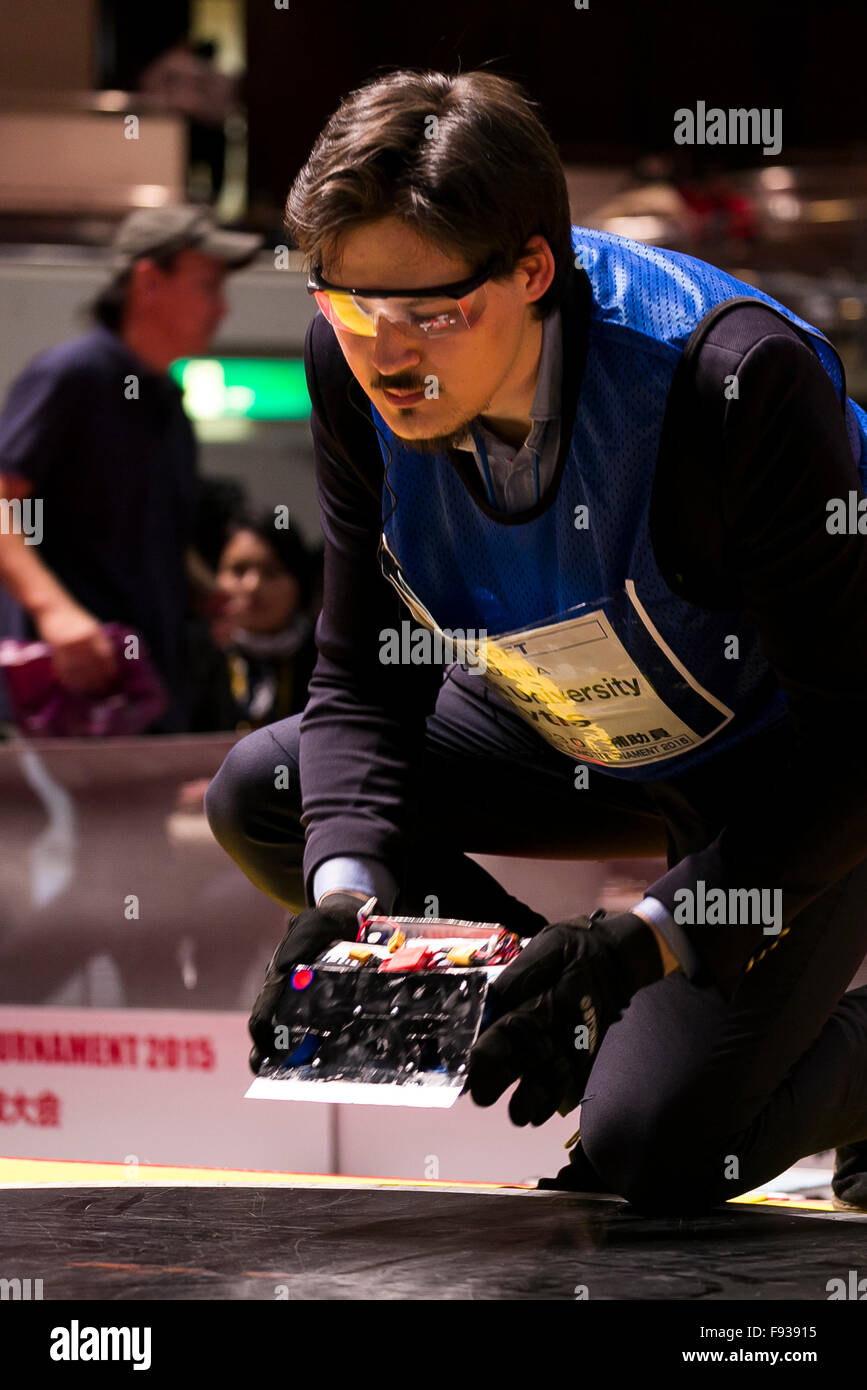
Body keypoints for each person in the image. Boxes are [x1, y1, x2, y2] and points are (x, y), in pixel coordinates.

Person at [204, 69, 867, 1214]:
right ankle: (573, 1006)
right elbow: (361, 675)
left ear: (531, 271)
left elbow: (851, 746)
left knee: (654, 1156)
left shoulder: (734, 383)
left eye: (429, 315)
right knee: (273, 792)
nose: (383, 355)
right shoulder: (354, 365)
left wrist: (648, 941)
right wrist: (352, 895)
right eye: (347, 308)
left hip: (795, 770)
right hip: (563, 727)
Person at [0, 205, 262, 732]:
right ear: (149, 280)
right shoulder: (74, 376)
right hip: (65, 698)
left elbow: (152, 531)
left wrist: (201, 588)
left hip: (147, 692)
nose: (222, 309)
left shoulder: (169, 403)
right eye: (208, 286)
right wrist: (54, 611)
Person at [211, 511, 319, 731]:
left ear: (299, 583)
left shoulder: (327, 657)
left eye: (272, 572)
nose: (253, 586)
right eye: (238, 570)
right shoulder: (191, 656)